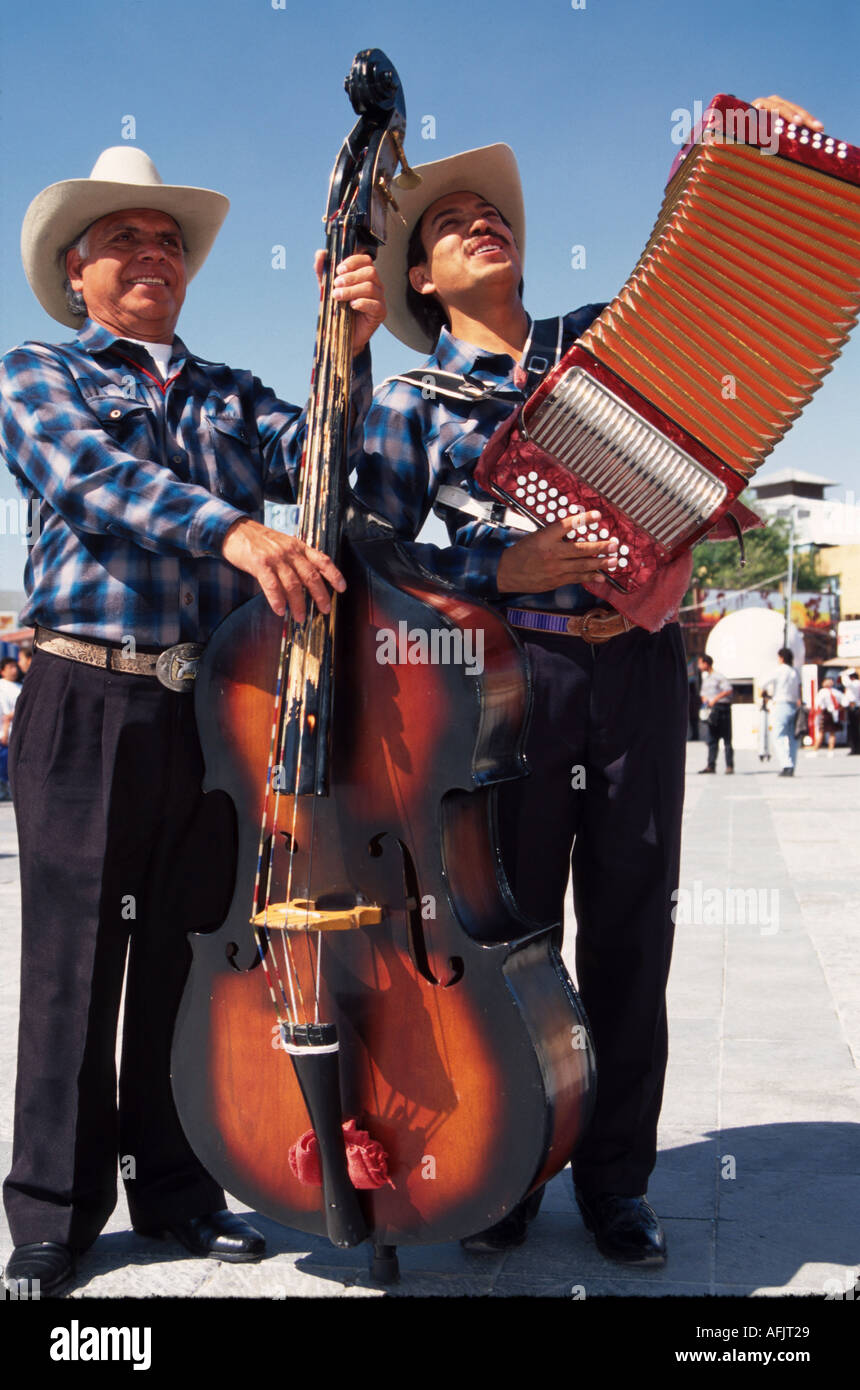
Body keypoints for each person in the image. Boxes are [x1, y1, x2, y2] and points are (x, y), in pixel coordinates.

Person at [0, 145, 384, 1297]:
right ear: (77, 273)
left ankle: (174, 1190)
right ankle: (51, 1214)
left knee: (187, 955)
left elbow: (322, 467)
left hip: (210, 708)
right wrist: (233, 532)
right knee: (71, 964)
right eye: (124, 240)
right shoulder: (35, 371)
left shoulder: (228, 389)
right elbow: (91, 480)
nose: (152, 255)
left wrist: (342, 358)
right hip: (87, 694)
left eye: (167, 241)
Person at [763, 647, 802, 777]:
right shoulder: (794, 671)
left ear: (781, 658)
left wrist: (764, 693)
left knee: (777, 736)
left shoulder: (779, 670)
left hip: (780, 704)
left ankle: (786, 765)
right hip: (793, 705)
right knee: (793, 738)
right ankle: (792, 765)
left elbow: (763, 682)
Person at [698, 654, 734, 774]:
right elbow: (703, 693)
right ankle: (711, 765)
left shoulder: (718, 677)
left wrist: (715, 699)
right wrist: (705, 700)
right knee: (712, 739)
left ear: (706, 663)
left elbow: (728, 690)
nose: (699, 666)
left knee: (726, 739)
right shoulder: (706, 678)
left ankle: (729, 766)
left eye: (700, 663)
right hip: (712, 711)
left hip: (722, 709)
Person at [0, 657, 22, 800]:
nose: (14, 670)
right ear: (2, 671)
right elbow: (5, 714)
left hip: (20, 732)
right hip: (5, 734)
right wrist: (5, 732)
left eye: (15, 666)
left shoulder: (21, 685)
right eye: (10, 667)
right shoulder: (1, 687)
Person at [814, 678, 841, 755]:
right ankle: (830, 750)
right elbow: (844, 701)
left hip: (825, 713)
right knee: (832, 732)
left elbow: (818, 703)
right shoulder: (836, 692)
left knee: (821, 731)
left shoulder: (822, 692)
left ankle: (815, 750)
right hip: (834, 713)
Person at [841, 669, 860, 755]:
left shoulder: (855, 683)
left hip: (854, 708)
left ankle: (855, 748)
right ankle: (855, 748)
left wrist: (843, 674)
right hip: (853, 707)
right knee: (854, 728)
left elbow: (846, 683)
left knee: (854, 729)